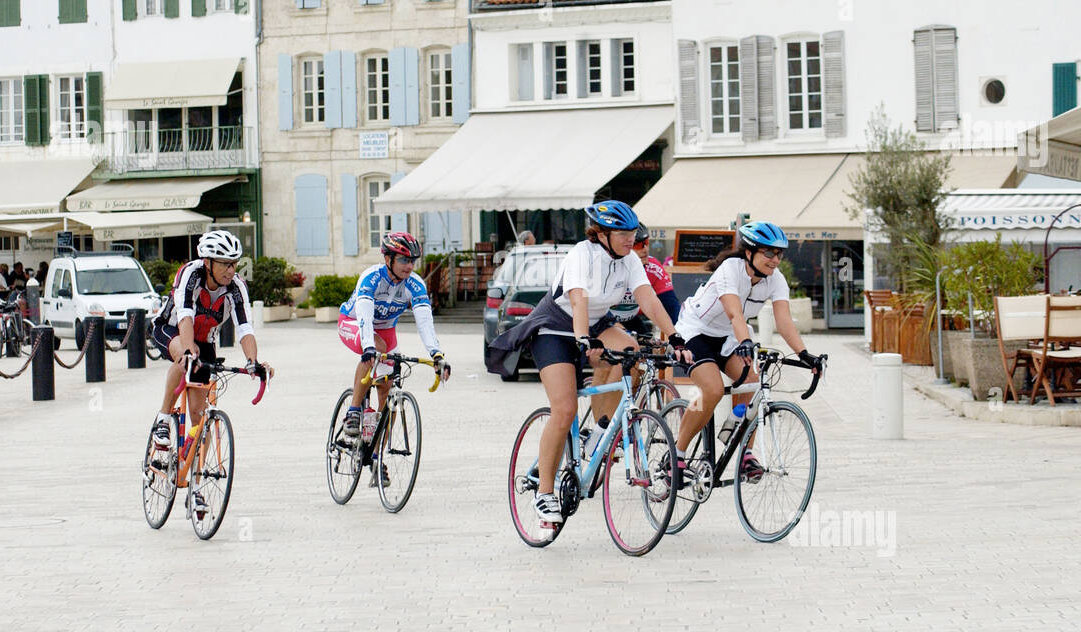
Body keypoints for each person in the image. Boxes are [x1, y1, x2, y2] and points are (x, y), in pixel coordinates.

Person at [486, 200, 690, 525]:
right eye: (622, 233)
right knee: (565, 409)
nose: (629, 239)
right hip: (555, 326)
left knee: (632, 352)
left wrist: (675, 336)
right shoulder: (582, 253)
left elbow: (647, 298)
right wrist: (583, 339)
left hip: (595, 325)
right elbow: (578, 297)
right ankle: (545, 494)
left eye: (632, 233)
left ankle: (600, 430)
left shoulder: (628, 261)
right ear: (601, 233)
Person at [671, 221, 822, 482]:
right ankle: (677, 455)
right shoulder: (731, 269)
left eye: (779, 254)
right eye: (769, 253)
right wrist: (746, 341)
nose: (775, 260)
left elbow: (784, 321)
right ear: (749, 252)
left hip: (729, 336)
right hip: (696, 330)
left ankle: (744, 453)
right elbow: (734, 312)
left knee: (752, 384)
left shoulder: (776, 279)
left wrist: (804, 354)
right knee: (713, 390)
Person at [149, 230, 273, 514]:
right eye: (225, 264)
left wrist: (253, 361)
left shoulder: (236, 286)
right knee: (183, 357)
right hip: (170, 329)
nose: (232, 270)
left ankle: (194, 485)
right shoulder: (190, 275)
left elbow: (245, 327)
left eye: (234, 263)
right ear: (208, 262)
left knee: (199, 419)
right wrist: (190, 351)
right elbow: (185, 317)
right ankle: (163, 419)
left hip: (205, 343)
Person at [337, 231, 446, 486]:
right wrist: (368, 346)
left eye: (412, 261)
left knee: (388, 389)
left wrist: (436, 353)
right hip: (354, 323)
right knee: (376, 349)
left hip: (385, 330)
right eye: (403, 260)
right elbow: (364, 313)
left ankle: (375, 454)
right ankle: (353, 411)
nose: (410, 266)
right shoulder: (371, 278)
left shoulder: (414, 284)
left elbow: (424, 321)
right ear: (388, 259)